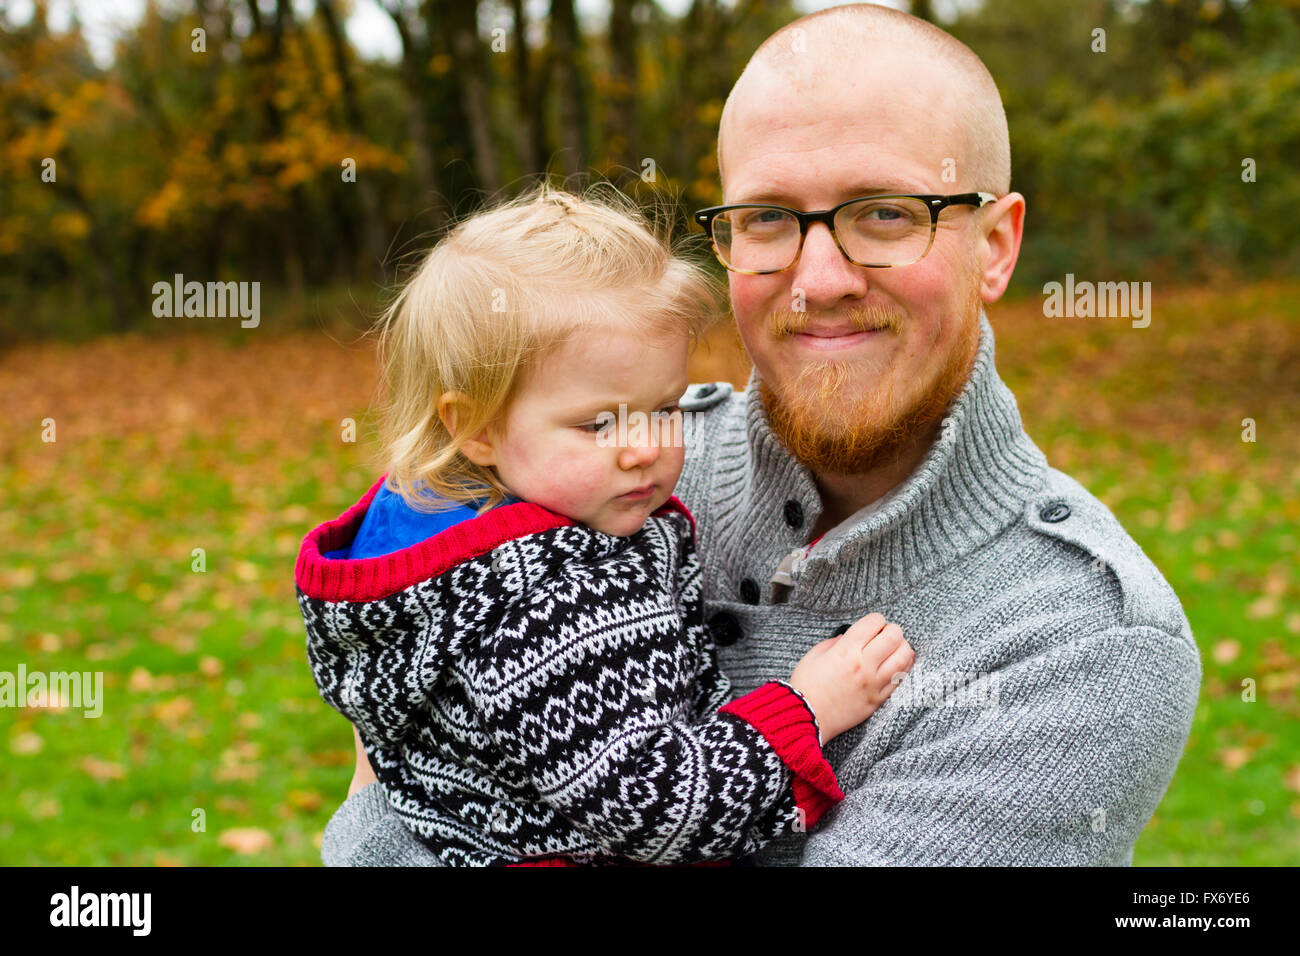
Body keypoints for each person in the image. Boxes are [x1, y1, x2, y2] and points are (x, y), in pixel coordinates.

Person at [319, 3, 1201, 867]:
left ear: (996, 245)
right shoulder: (613, 461)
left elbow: (392, 778)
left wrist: (374, 824)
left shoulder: (1078, 640)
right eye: (770, 219)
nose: (819, 279)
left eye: (885, 212)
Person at [295, 184, 914, 866]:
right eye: (599, 424)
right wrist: (808, 708)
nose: (645, 447)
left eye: (667, 408)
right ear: (473, 427)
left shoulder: (432, 545)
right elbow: (656, 807)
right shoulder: (550, 595)